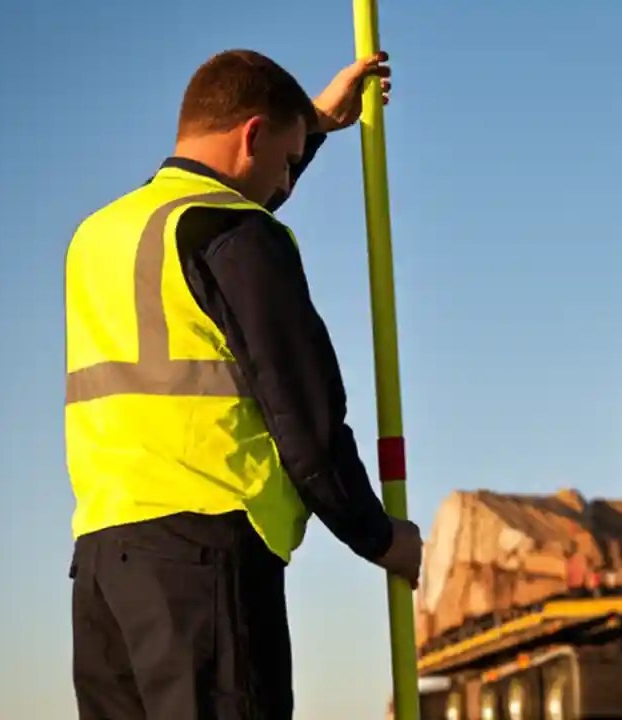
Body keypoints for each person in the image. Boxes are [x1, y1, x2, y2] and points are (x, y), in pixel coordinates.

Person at [63, 48, 424, 719]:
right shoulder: (242, 234)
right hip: (205, 560)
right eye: (287, 165)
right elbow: (307, 418)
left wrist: (310, 125)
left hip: (104, 568)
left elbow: (216, 210)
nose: (285, 188)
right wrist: (380, 537)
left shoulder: (100, 235)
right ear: (252, 134)